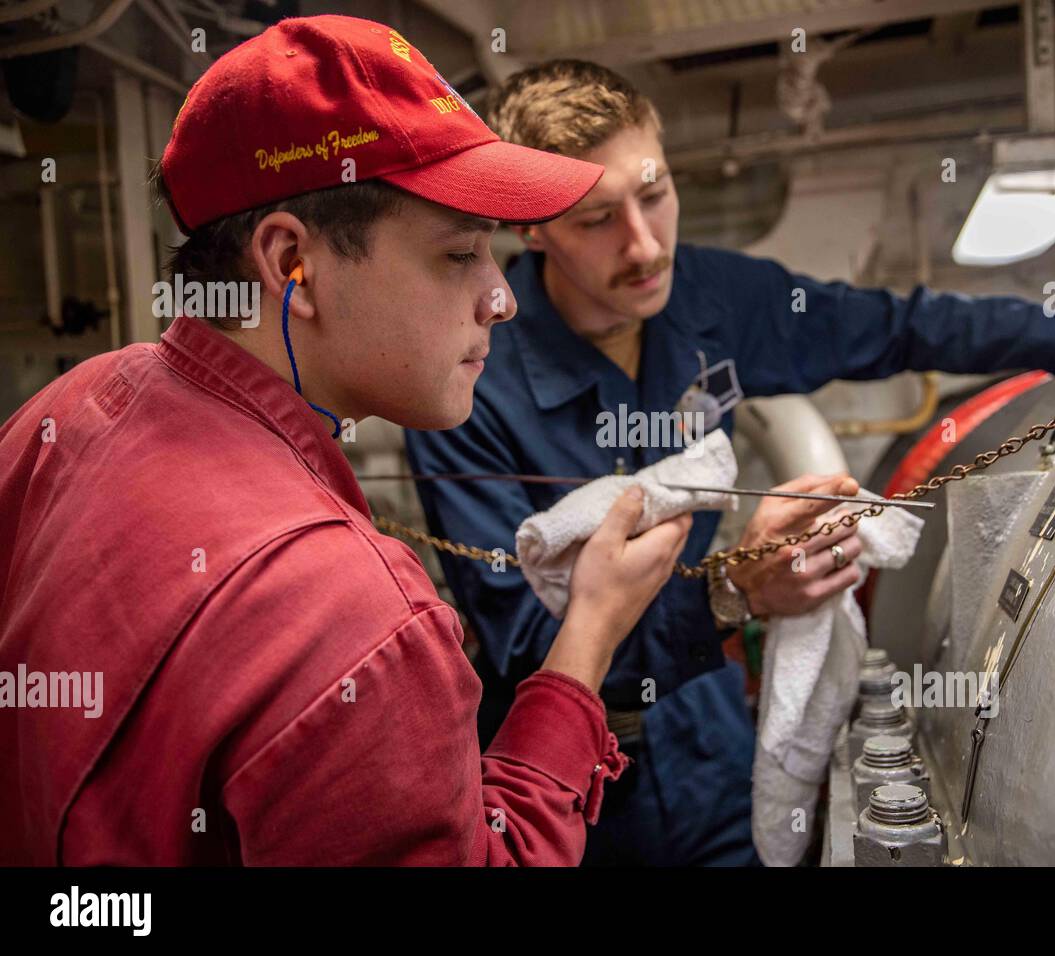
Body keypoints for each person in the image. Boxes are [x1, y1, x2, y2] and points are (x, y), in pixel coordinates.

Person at [404, 59, 1055, 866]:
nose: (645, 245)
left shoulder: (709, 297)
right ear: (532, 226)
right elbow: (525, 649)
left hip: (712, 750)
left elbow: (889, 324)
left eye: (653, 195)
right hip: (574, 791)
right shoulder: (470, 382)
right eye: (596, 220)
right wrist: (733, 595)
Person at [0, 17, 693, 866]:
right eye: (459, 254)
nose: (500, 299)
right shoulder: (354, 614)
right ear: (292, 263)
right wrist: (590, 627)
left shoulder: (70, 407)